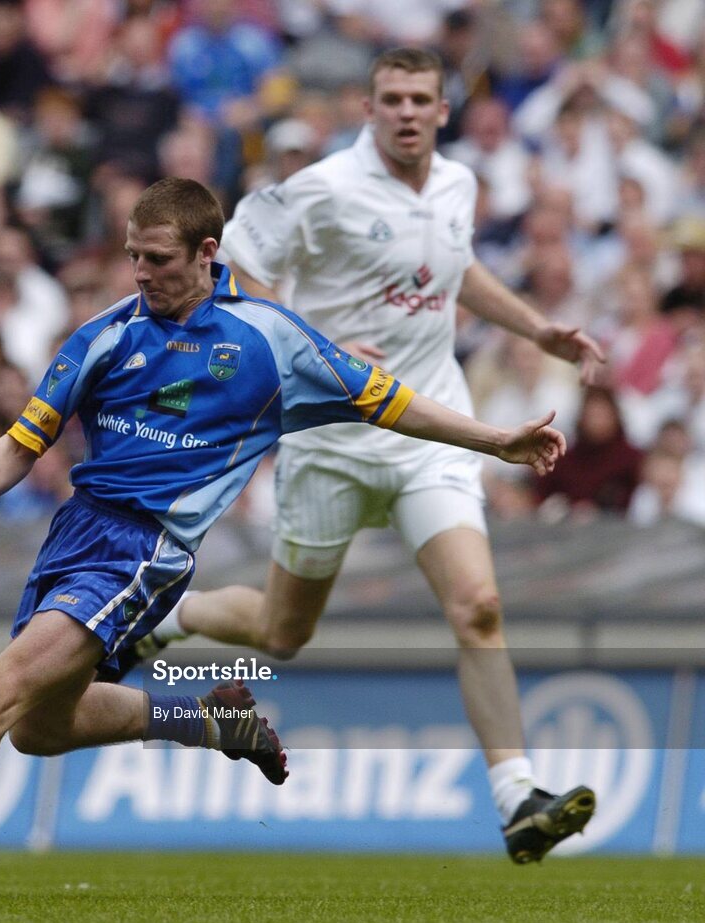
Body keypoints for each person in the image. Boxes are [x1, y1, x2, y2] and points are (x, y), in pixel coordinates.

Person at [0, 176, 568, 897]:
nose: (141, 273)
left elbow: (391, 400)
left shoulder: (268, 340)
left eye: (157, 259)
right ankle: (207, 720)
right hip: (76, 538)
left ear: (207, 253)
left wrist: (494, 439)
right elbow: (21, 446)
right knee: (37, 729)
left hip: (146, 550)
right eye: (132, 257)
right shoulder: (103, 335)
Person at [114, 50, 606, 865]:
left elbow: (453, 270)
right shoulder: (322, 188)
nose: (407, 111)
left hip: (432, 432)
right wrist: (322, 346)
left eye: (421, 98)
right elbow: (232, 278)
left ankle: (518, 798)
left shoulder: (458, 185)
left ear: (443, 110)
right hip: (334, 440)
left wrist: (534, 328)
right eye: (392, 99)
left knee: (477, 603)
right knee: (282, 632)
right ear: (369, 107)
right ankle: (177, 616)